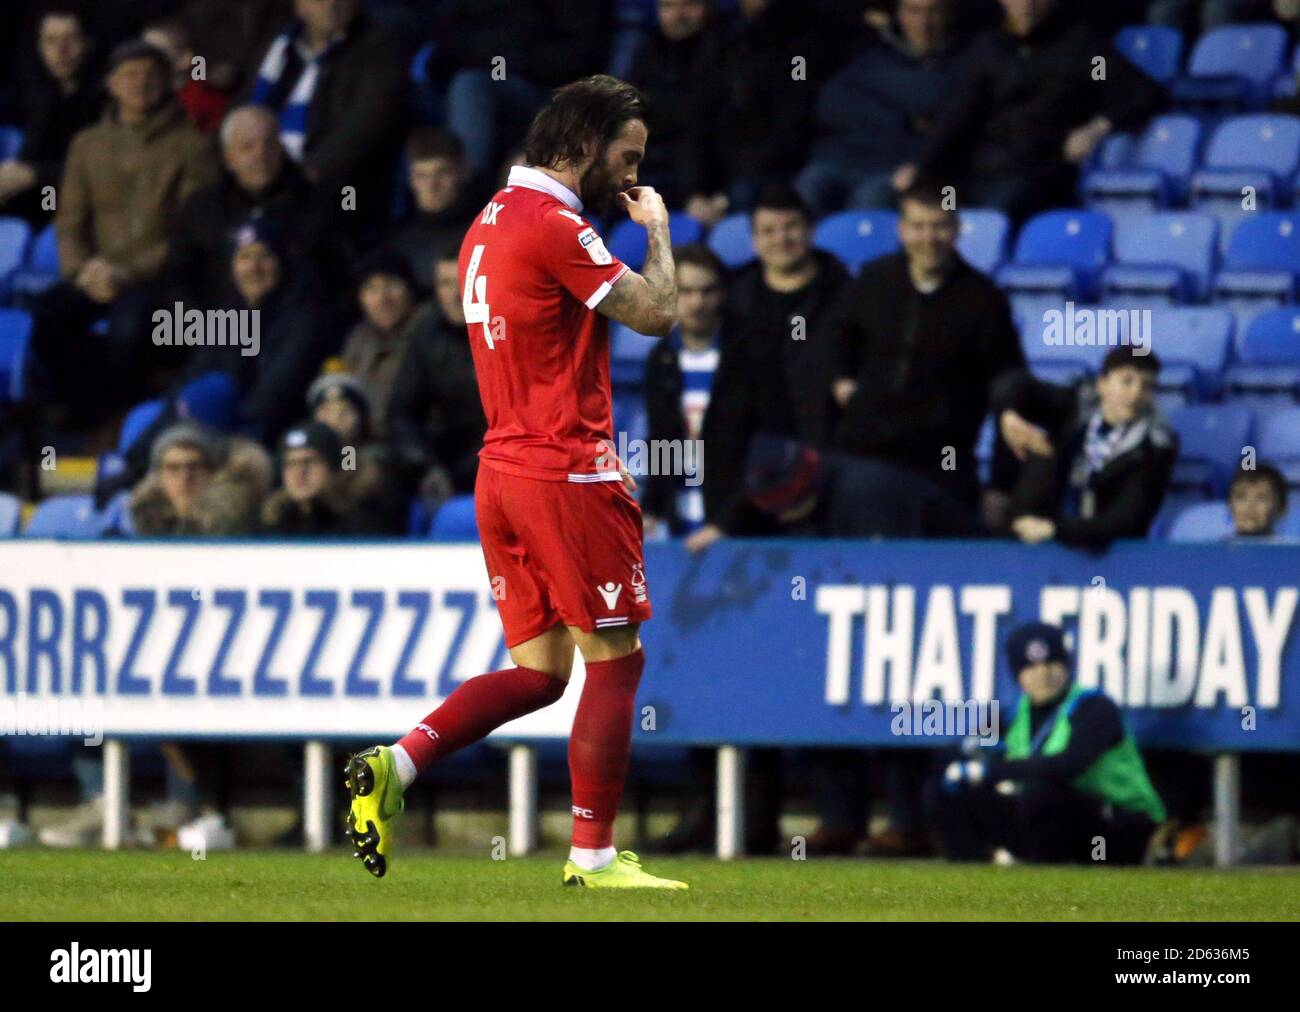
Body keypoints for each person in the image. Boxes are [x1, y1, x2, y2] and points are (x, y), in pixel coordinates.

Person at [344, 75, 687, 889]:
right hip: (565, 467)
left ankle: (398, 765)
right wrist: (659, 234)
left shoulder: (486, 223)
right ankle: (594, 857)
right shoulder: (556, 221)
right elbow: (656, 312)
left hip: (499, 470)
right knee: (615, 660)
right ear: (582, 143)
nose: (632, 179)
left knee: (540, 670)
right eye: (627, 158)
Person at [29, 39, 217, 424]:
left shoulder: (193, 147)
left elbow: (191, 232)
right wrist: (83, 271)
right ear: (111, 84)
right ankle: (88, 415)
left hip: (161, 279)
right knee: (49, 318)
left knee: (129, 329)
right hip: (97, 273)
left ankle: (123, 419)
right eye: (129, 75)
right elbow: (69, 221)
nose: (140, 83)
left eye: (151, 75)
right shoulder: (87, 144)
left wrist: (126, 272)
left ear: (168, 82)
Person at [825, 176, 1023, 535]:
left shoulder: (984, 300)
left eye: (940, 227)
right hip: (865, 455)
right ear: (901, 230)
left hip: (943, 463)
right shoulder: (873, 281)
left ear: (957, 229)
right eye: (917, 227)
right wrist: (843, 382)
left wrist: (1001, 486)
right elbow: (840, 338)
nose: (928, 239)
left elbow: (1009, 390)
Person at [893, 0, 1166, 223]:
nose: (1026, 5)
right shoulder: (987, 50)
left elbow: (1139, 91)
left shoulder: (1082, 50)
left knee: (990, 215)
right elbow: (955, 118)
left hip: (1037, 172)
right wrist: (920, 167)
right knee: (908, 203)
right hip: (974, 174)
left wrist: (1098, 126)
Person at [689, 184, 848, 553]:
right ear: (755, 239)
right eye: (769, 231)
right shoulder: (734, 301)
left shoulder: (847, 294)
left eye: (791, 227)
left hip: (822, 471)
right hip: (747, 484)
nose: (782, 238)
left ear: (809, 230)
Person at [933, 621, 1166, 865]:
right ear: (1018, 675)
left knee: (1042, 794)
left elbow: (1069, 764)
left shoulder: (1095, 707)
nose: (1043, 674)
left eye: (1051, 663)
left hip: (1117, 824)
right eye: (1031, 667)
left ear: (1066, 666)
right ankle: (971, 878)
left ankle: (1049, 879)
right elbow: (964, 750)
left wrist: (990, 770)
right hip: (1054, 822)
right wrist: (963, 766)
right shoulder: (1012, 716)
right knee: (946, 790)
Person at [796, 0, 965, 215]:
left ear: (949, 14)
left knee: (870, 200)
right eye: (914, 11)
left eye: (933, 12)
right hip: (842, 156)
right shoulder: (873, 54)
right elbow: (830, 104)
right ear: (900, 14)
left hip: (899, 166)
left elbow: (935, 102)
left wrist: (873, 104)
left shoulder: (964, 60)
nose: (924, 23)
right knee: (805, 190)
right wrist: (903, 119)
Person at [247, 0, 406, 224]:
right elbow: (246, 103)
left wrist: (310, 170)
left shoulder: (378, 45)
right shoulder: (280, 45)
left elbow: (369, 120)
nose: (331, 4)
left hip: (337, 181)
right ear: (300, 6)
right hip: (265, 167)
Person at [1002, 347, 1178, 549]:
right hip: (1038, 544)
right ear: (1102, 384)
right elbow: (1014, 384)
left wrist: (1055, 529)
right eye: (1126, 381)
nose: (1136, 393)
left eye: (1147, 386)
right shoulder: (1073, 413)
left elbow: (1125, 520)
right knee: (1041, 444)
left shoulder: (1156, 446)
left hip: (1113, 558)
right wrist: (1008, 413)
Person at [386, 249, 487, 507]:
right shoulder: (426, 335)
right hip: (449, 463)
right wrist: (426, 466)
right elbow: (401, 415)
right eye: (445, 284)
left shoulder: (509, 328)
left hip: (507, 461)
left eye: (463, 281)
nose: (455, 294)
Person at [641, 244, 727, 536]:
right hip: (681, 523)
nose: (697, 302)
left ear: (722, 293)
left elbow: (754, 446)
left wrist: (727, 522)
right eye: (686, 291)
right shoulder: (661, 359)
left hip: (733, 527)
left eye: (706, 291)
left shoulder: (745, 355)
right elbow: (660, 440)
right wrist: (652, 508)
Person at [0, 5, 102, 226]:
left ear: (89, 43)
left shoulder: (108, 98)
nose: (60, 51)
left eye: (70, 40)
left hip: (83, 210)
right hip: (33, 202)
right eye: (51, 41)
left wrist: (32, 174)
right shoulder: (38, 93)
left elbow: (103, 168)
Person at [383, 127, 479, 284]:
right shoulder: (399, 245)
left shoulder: (485, 232)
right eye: (422, 175)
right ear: (411, 180)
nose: (432, 185)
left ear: (463, 172)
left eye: (442, 172)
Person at [261, 421, 360, 536]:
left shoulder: (362, 525)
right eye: (290, 464)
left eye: (310, 462)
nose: (299, 473)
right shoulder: (271, 524)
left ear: (333, 468)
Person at [1228, 463, 1291, 540]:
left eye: (1261, 498)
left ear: (1281, 508)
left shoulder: (1289, 551)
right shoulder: (1215, 549)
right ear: (1230, 505)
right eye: (1241, 497)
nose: (1250, 506)